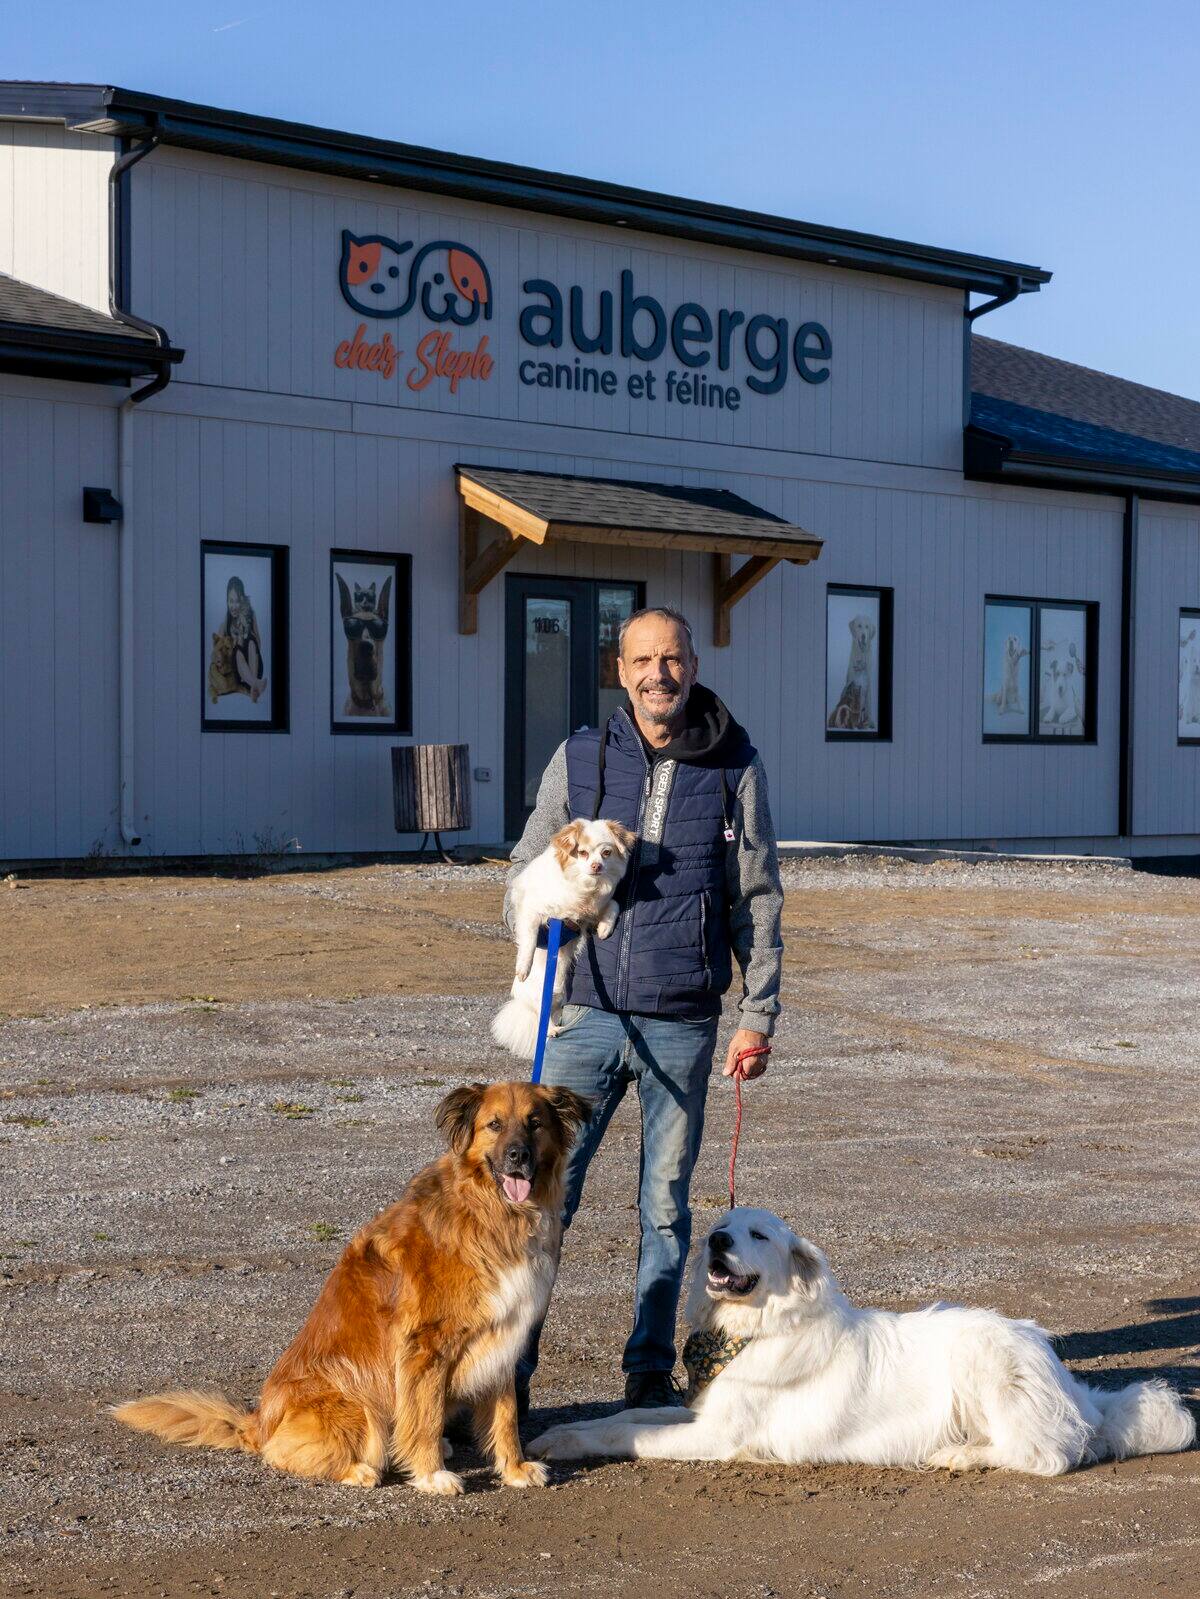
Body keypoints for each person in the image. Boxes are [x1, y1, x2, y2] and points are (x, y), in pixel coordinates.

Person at [506, 605, 783, 1412]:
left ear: (692, 664)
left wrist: (756, 1010)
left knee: (664, 1208)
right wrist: (528, 921)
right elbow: (526, 863)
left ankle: (647, 1372)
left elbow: (757, 894)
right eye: (641, 659)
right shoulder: (582, 755)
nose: (657, 672)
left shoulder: (736, 763)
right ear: (617, 669)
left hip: (683, 1016)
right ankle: (505, 1381)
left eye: (671, 657)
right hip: (581, 1014)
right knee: (538, 1199)